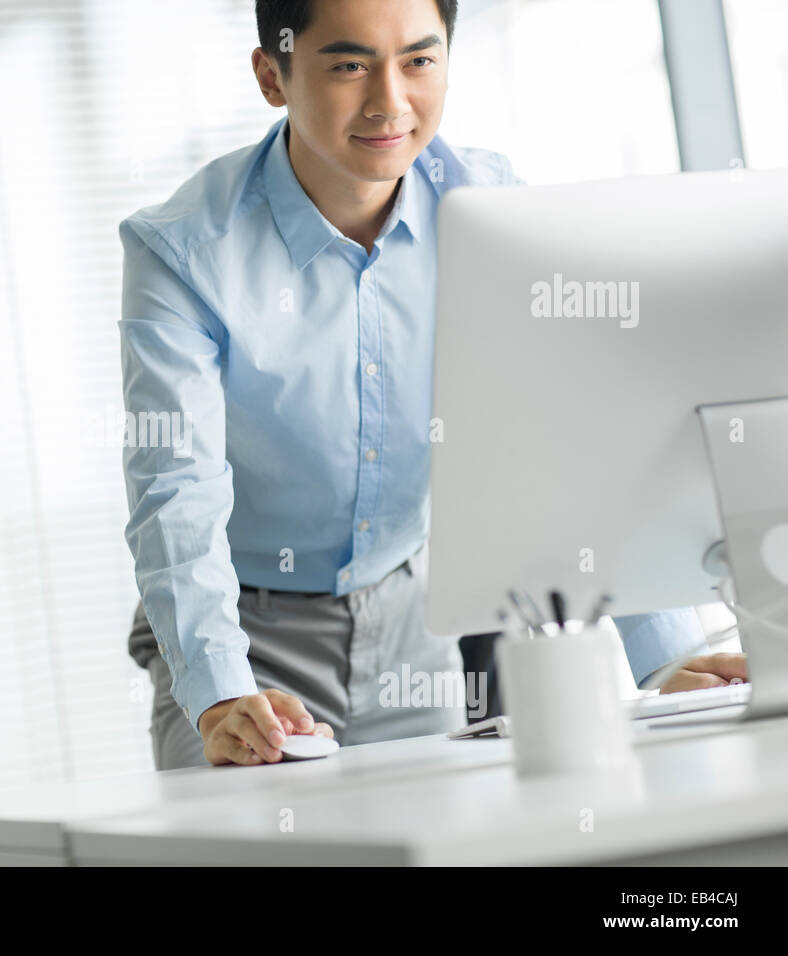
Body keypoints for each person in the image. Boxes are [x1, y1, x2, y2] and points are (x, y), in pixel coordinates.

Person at [118, 0, 747, 771]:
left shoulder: (491, 207)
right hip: (247, 629)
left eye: (419, 60)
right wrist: (218, 690)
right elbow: (174, 490)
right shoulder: (180, 251)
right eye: (349, 65)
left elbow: (574, 435)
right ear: (271, 75)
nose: (390, 101)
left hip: (417, 617)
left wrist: (664, 655)